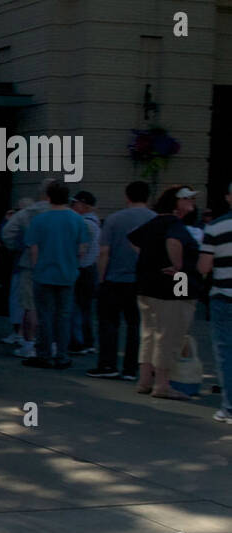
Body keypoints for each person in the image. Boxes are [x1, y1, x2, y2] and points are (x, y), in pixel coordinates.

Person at [129, 186, 201, 400]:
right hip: (176, 285)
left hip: (147, 285)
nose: (193, 201)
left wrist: (152, 260)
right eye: (188, 198)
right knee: (169, 335)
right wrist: (176, 264)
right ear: (176, 202)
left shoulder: (153, 223)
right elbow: (173, 241)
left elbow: (133, 240)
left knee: (149, 333)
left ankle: (144, 380)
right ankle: (162, 384)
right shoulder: (175, 224)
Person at [87, 181, 155, 380]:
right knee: (137, 324)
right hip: (142, 280)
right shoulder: (154, 219)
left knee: (108, 322)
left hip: (114, 278)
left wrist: (101, 278)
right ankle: (131, 368)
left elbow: (104, 252)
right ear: (148, 197)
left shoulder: (114, 219)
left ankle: (108, 364)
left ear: (127, 197)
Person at [23, 181, 90, 369]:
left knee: (45, 316)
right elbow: (82, 248)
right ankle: (62, 355)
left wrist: (37, 268)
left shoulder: (39, 220)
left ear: (48, 197)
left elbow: (33, 249)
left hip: (44, 272)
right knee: (64, 315)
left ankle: (43, 354)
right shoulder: (77, 220)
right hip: (68, 273)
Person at [1, 179, 55, 357]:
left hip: (29, 262)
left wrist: (17, 247)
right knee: (54, 305)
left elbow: (8, 232)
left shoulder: (27, 213)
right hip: (57, 263)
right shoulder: (66, 213)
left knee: (30, 305)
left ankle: (29, 343)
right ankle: (51, 342)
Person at [198, 181, 232, 422]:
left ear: (229, 198)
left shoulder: (216, 227)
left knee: (226, 353)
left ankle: (229, 406)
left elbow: (204, 267)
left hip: (224, 297)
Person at [68, 190, 101, 355]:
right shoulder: (95, 222)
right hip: (90, 268)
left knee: (77, 307)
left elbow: (81, 248)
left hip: (82, 268)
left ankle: (78, 341)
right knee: (86, 308)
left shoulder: (84, 224)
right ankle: (87, 341)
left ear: (83, 205)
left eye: (75, 203)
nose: (72, 206)